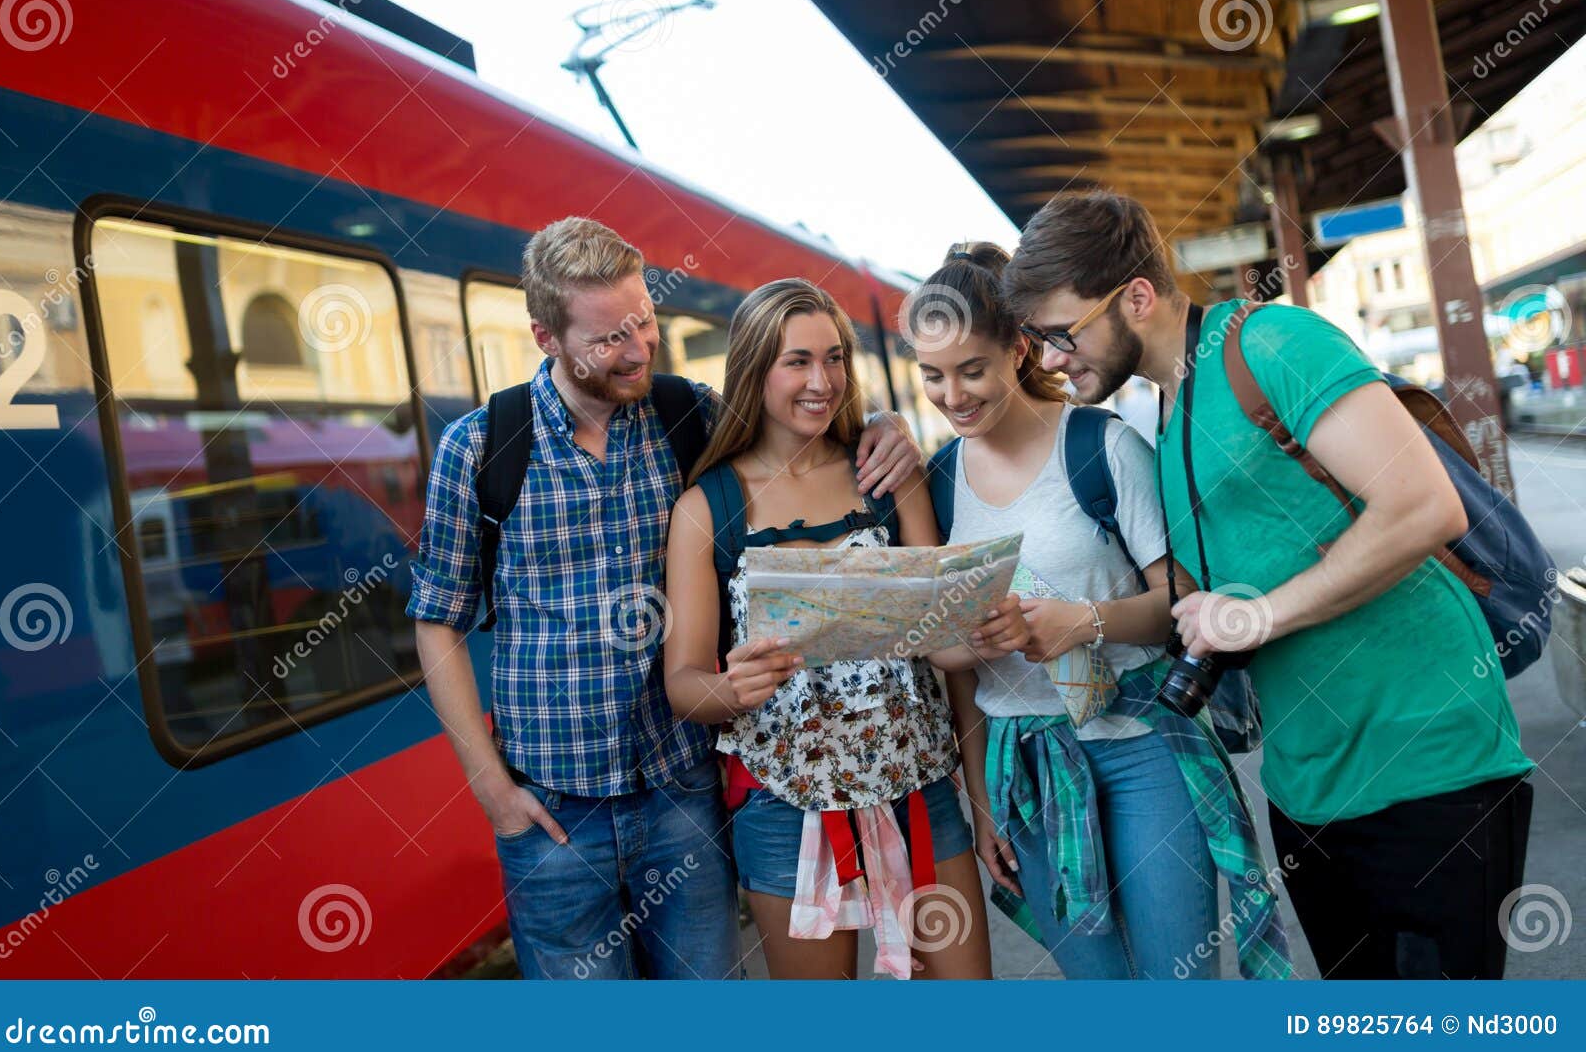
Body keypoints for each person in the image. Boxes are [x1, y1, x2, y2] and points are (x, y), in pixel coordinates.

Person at [1001, 191, 1534, 979]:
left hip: (1427, 765)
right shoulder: (1165, 412)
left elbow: (1423, 505)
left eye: (1058, 333)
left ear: (1137, 297)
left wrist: (1257, 616)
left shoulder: (1274, 342)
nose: (1047, 358)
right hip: (1307, 793)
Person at [407, 217, 922, 980]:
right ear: (546, 336)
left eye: (644, 319)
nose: (640, 348)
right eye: (609, 338)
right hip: (551, 809)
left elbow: (801, 437)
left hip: (681, 792)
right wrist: (492, 790)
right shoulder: (483, 448)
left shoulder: (690, 416)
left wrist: (885, 425)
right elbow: (438, 622)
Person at [913, 243, 1290, 980]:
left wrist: (1078, 620)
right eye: (932, 374)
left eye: (971, 370)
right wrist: (982, 798)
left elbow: (1180, 605)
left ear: (1017, 348)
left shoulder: (1100, 445)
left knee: (1174, 987)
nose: (952, 395)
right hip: (1024, 763)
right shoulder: (936, 483)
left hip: (1140, 742)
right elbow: (956, 672)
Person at [662, 278, 1024, 979]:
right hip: (784, 810)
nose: (821, 381)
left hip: (918, 788)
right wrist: (731, 687)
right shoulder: (707, 509)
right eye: (797, 360)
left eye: (834, 359)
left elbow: (947, 652)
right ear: (753, 368)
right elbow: (683, 685)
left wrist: (981, 631)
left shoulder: (886, 475)